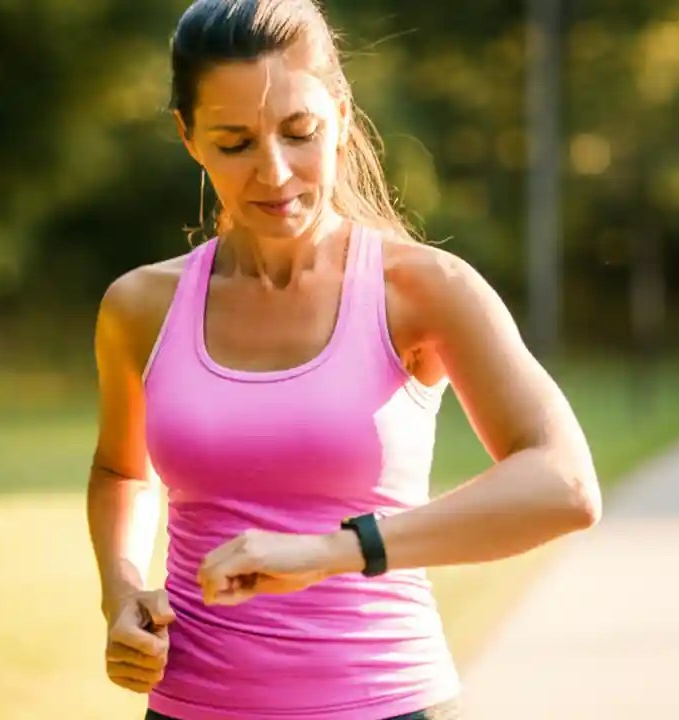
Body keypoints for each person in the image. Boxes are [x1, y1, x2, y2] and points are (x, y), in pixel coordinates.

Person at [86, 1, 602, 718]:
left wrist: (334, 551)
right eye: (234, 143)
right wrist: (121, 589)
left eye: (300, 133)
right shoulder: (141, 307)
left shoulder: (422, 291)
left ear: (341, 113)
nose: (274, 173)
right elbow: (121, 470)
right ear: (188, 136)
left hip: (385, 704)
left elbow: (566, 485)